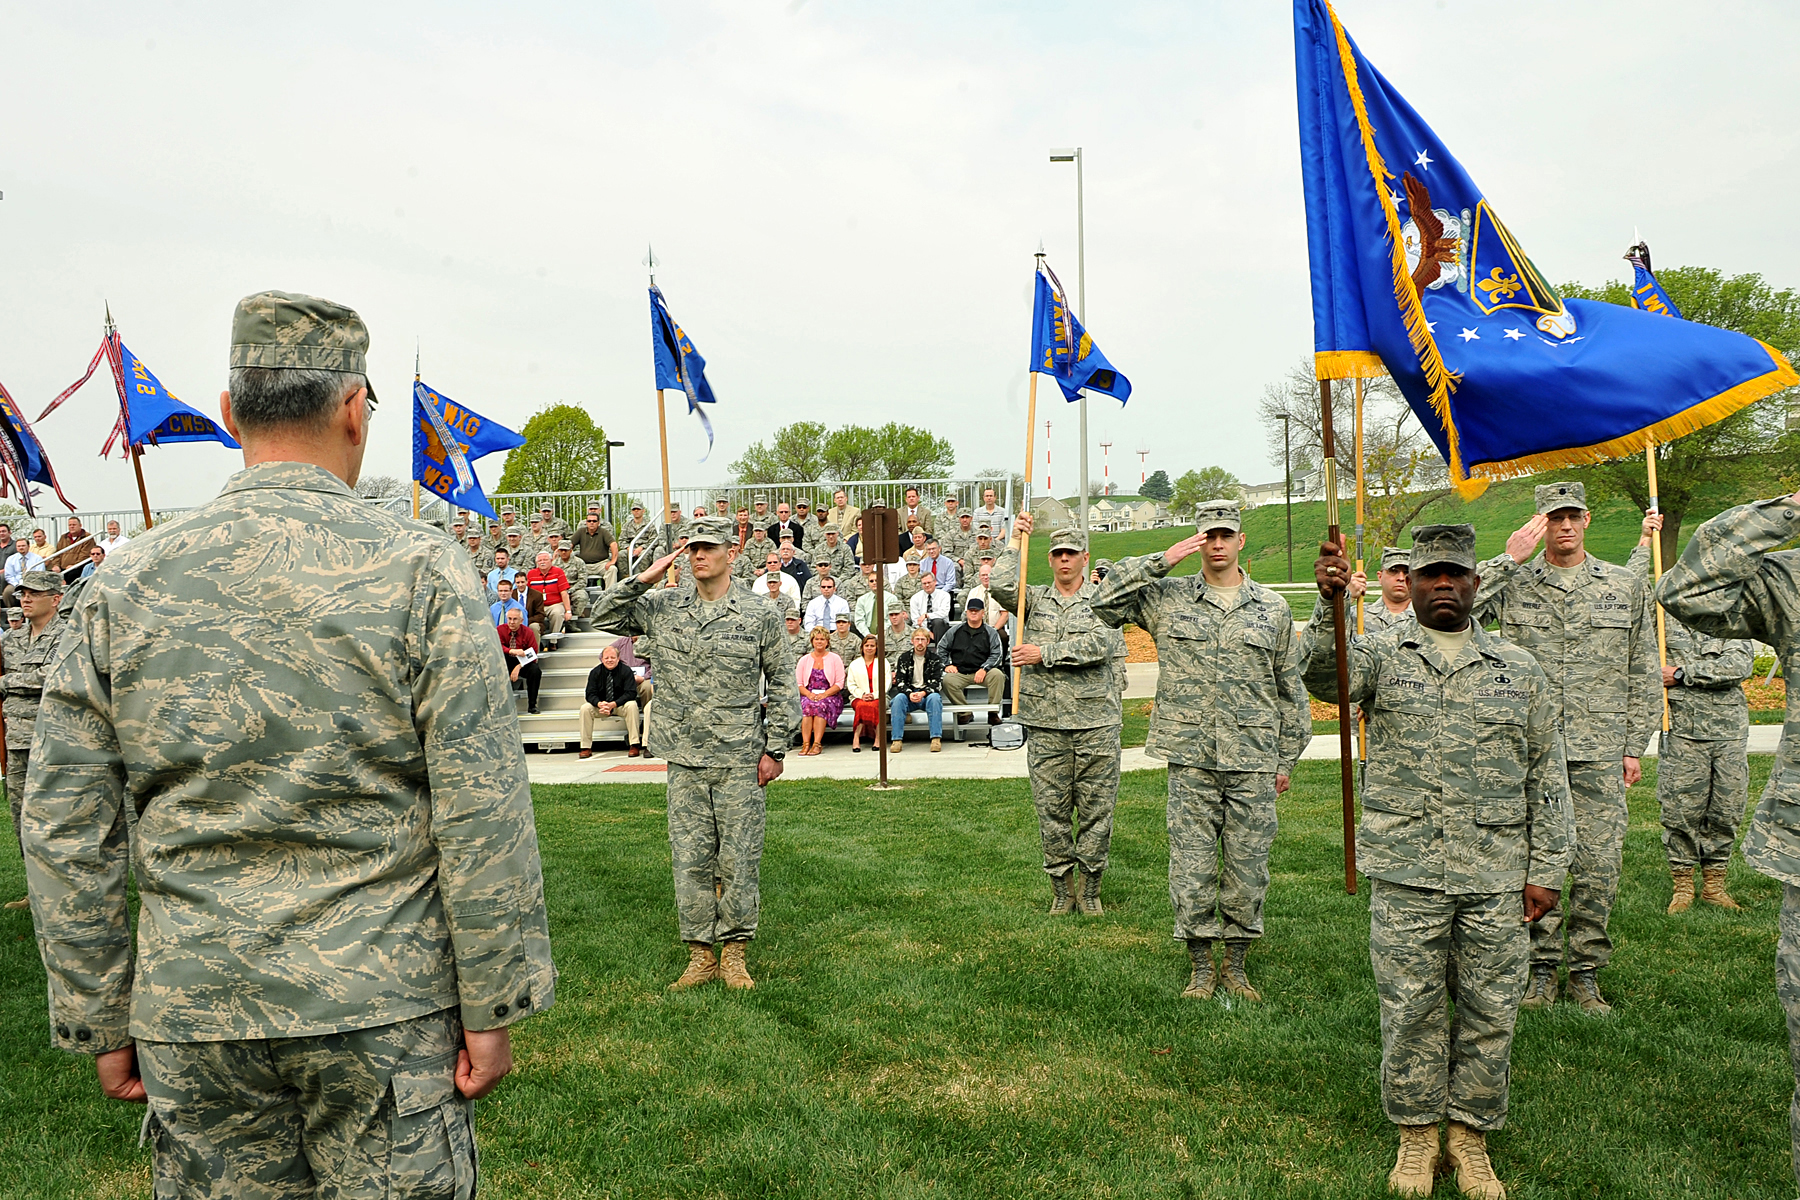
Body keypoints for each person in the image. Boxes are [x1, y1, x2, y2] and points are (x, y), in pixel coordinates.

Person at [21, 290, 552, 1192]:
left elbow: (66, 822)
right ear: (355, 410)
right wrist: (492, 1001)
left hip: (198, 1007)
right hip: (383, 1006)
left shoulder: (125, 585)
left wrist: (101, 1013)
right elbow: (481, 807)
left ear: (229, 415)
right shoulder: (421, 571)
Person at [1307, 525, 1572, 1200]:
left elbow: (1548, 774)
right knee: (1411, 1008)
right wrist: (1329, 604)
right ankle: (1418, 1135)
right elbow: (1327, 678)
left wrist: (1546, 867)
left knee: (1491, 1009)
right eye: (1430, 575)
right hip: (1407, 871)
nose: (1444, 584)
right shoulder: (1378, 655)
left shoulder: (1520, 668)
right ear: (1413, 584)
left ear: (1477, 583)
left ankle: (1471, 1136)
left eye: (1456, 573)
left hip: (1496, 875)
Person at [1090, 500, 1308, 1001]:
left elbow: (1289, 689)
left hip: (1253, 759)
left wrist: (1286, 759)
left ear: (1240, 541)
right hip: (1191, 758)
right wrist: (1161, 560)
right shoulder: (1168, 598)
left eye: (1225, 535)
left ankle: (1235, 962)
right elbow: (1102, 603)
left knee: (1248, 866)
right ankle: (1201, 965)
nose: (1216, 545)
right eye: (1207, 536)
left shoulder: (1271, 609)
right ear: (1197, 540)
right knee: (1191, 865)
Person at [1656, 490, 1800, 1191]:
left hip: (1724, 721)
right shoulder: (1793, 583)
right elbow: (1686, 587)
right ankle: (1691, 880)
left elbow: (1733, 663)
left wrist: (1688, 673)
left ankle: (1710, 880)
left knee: (1723, 802)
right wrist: (1788, 509)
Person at [1471, 482, 1656, 1016]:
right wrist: (1508, 559)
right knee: (1532, 864)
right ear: (1540, 523)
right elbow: (1462, 609)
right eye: (1555, 518)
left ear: (1588, 519)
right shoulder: (1515, 582)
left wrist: (1632, 745)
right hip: (1530, 750)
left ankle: (1586, 972)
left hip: (1599, 751)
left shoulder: (1623, 587)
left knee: (1599, 864)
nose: (1566, 526)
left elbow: (1642, 670)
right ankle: (1540, 969)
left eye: (1573, 515)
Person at [590, 516, 797, 990]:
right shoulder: (662, 606)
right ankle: (700, 955)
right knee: (690, 860)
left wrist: (777, 748)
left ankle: (735, 955)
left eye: (707, 547)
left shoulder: (758, 613)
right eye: (691, 548)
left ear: (732, 550)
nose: (698, 555)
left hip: (740, 757)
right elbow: (602, 615)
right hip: (683, 756)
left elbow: (784, 679)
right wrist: (644, 576)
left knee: (740, 860)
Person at [991, 518, 1123, 915]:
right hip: (1046, 723)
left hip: (1096, 721)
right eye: (1057, 554)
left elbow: (1101, 643)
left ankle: (1091, 888)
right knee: (1051, 810)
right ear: (1049, 560)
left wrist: (1043, 654)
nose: (1064, 560)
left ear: (1085, 558)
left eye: (1071, 553)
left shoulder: (1102, 600)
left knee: (1097, 811)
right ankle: (1062, 890)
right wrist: (1015, 540)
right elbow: (1000, 585)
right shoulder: (1032, 599)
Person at [1654, 613, 1754, 913]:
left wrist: (1682, 674)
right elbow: (1632, 586)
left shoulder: (1730, 621)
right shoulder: (1661, 619)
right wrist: (1643, 561)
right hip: (1682, 730)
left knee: (1726, 811)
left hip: (1728, 734)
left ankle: (1714, 887)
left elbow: (1737, 666)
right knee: (1681, 812)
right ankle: (1683, 887)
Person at [1, 568, 66, 909]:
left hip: (53, 739)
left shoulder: (67, 634)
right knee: (20, 817)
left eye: (34, 593)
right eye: (23, 592)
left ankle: (63, 888)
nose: (24, 598)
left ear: (56, 599)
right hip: (16, 740)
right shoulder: (10, 639)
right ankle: (35, 892)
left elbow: (52, 677)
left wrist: (8, 682)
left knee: (55, 817)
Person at [936, 597, 1007, 710]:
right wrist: (947, 665)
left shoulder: (991, 632)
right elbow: (941, 649)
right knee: (947, 681)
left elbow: (997, 654)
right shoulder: (955, 630)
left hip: (983, 672)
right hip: (960, 672)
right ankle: (964, 712)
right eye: (971, 610)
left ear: (983, 613)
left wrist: (984, 669)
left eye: (977, 611)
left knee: (998, 675)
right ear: (966, 612)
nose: (973, 613)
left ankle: (992, 711)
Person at [580, 643, 645, 759]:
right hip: (602, 706)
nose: (610, 660)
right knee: (585, 708)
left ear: (618, 658)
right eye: (607, 658)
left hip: (619, 705)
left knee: (632, 705)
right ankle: (586, 747)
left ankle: (634, 744)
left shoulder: (626, 671)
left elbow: (631, 693)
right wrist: (599, 703)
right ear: (602, 659)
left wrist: (613, 704)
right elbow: (590, 694)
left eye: (613, 658)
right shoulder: (595, 672)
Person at [889, 625, 946, 752]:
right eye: (917, 639)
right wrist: (909, 693)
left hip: (927, 695)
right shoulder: (904, 658)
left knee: (935, 698)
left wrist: (923, 693)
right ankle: (896, 740)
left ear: (928, 641)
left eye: (923, 639)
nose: (920, 643)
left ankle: (936, 738)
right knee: (898, 699)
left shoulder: (935, 659)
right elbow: (900, 682)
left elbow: (937, 683)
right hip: (909, 695)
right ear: (912, 641)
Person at [796, 626, 846, 755]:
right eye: (817, 639)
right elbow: (799, 684)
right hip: (809, 693)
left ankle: (817, 744)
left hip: (830, 695)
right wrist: (809, 694)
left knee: (820, 706)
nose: (819, 642)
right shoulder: (804, 660)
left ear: (827, 642)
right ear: (812, 641)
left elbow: (839, 683)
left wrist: (824, 694)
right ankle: (806, 744)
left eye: (822, 639)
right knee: (807, 706)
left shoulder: (835, 659)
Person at [1350, 546, 1414, 632]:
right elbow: (1329, 636)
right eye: (1393, 571)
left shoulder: (1427, 617)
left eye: (1407, 572)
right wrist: (1348, 597)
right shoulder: (1357, 615)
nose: (1401, 578)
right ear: (1380, 577)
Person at [499, 604, 543, 713]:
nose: (512, 622)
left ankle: (532, 705)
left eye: (515, 619)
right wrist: (511, 651)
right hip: (505, 660)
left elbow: (533, 653)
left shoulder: (528, 632)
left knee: (535, 670)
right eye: (509, 619)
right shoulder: (500, 630)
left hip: (522, 662)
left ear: (521, 620)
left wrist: (519, 666)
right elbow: (497, 647)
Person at [845, 635, 884, 752]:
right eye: (867, 646)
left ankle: (878, 738)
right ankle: (856, 738)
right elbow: (851, 684)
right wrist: (862, 695)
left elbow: (886, 683)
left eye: (872, 646)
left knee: (875, 705)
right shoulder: (854, 664)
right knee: (862, 705)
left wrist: (875, 695)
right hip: (858, 696)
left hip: (879, 696)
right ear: (862, 648)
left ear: (877, 647)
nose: (869, 648)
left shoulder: (883, 662)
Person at [526, 550, 571, 642]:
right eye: (540, 561)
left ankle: (553, 641)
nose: (542, 562)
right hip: (537, 606)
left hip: (554, 604)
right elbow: (527, 593)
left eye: (545, 560)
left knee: (557, 613)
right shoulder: (531, 574)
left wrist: (568, 611)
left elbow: (564, 593)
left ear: (551, 560)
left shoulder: (558, 572)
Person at [572, 512, 618, 586]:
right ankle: (575, 594)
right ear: (586, 522)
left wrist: (613, 561)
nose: (591, 523)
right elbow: (569, 546)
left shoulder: (604, 532)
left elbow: (614, 544)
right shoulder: (580, 532)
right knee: (571, 570)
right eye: (589, 521)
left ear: (598, 523)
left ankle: (610, 595)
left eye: (594, 521)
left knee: (612, 569)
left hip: (601, 564)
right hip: (584, 565)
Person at [910, 570, 951, 636]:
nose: (927, 585)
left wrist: (927, 615)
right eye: (924, 583)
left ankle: (939, 646)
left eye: (929, 582)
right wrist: (928, 632)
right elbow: (915, 620)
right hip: (922, 629)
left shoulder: (944, 595)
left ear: (935, 582)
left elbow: (944, 613)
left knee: (938, 622)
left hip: (940, 628)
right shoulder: (915, 598)